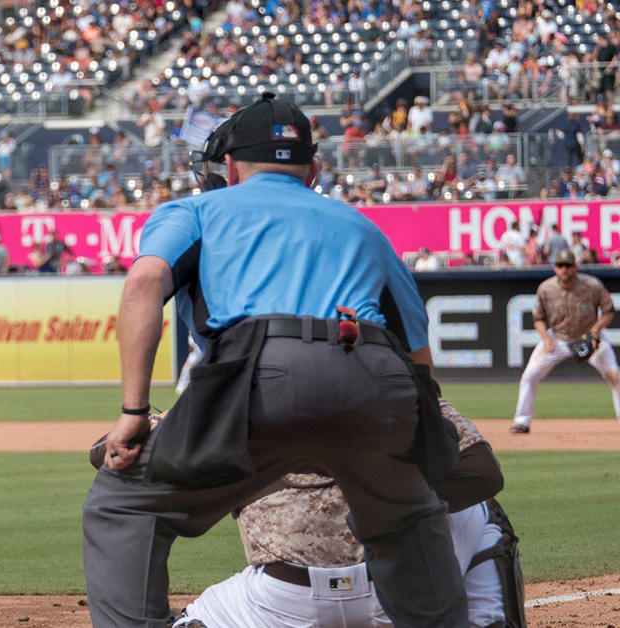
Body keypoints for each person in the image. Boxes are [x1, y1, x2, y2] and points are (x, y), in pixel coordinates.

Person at [83, 93, 467, 628]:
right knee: (410, 519)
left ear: (231, 166)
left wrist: (133, 409)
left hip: (262, 375)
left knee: (121, 502)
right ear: (313, 168)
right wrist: (420, 437)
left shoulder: (196, 209)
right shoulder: (359, 224)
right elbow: (419, 352)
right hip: (376, 377)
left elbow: (144, 281)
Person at [145, 400, 521, 628]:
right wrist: (389, 502)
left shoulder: (228, 400)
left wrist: (156, 426)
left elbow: (107, 456)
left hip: (283, 604)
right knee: (483, 508)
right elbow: (485, 475)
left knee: (193, 618)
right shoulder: (391, 377)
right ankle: (485, 620)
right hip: (396, 592)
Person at [512, 250, 619, 433]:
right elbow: (538, 318)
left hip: (589, 337)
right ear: (555, 268)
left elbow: (608, 310)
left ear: (575, 266)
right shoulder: (546, 288)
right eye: (560, 265)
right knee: (530, 375)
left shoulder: (592, 285)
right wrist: (545, 338)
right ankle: (522, 421)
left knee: (615, 376)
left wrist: (595, 331)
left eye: (568, 265)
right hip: (558, 338)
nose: (564, 269)